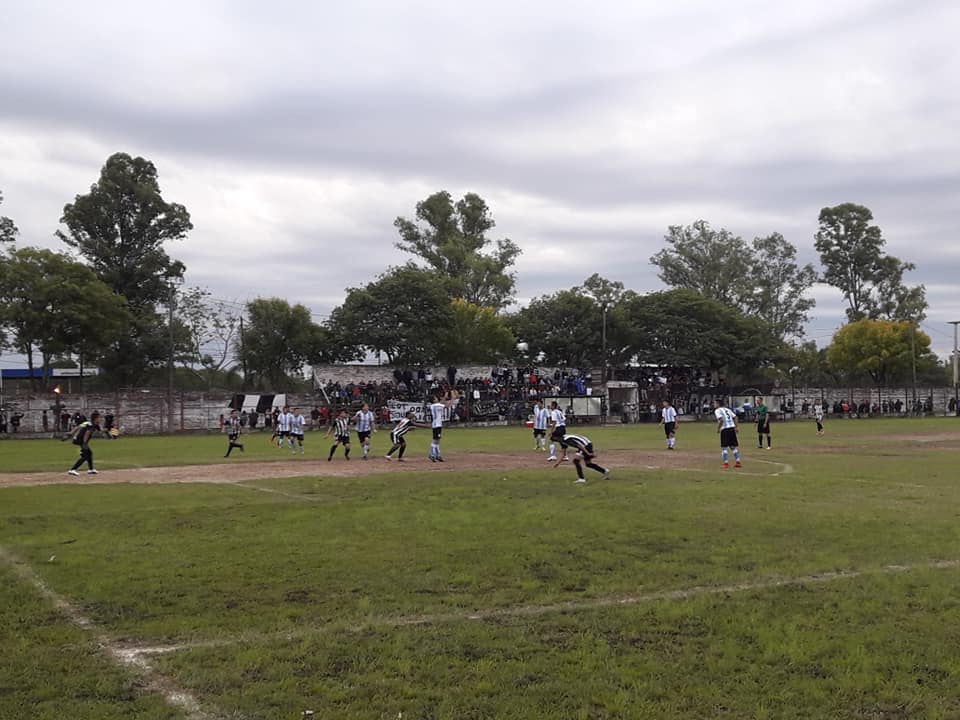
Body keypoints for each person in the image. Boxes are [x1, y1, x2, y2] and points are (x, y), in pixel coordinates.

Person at [66, 411, 102, 475]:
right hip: (81, 440)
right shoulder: (92, 425)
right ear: (95, 418)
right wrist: (84, 443)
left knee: (89, 453)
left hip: (78, 439)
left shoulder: (88, 423)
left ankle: (91, 469)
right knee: (85, 456)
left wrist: (71, 433)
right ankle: (72, 470)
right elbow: (87, 433)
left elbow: (78, 427)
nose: (100, 419)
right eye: (99, 418)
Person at [713, 399, 742, 469]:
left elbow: (721, 420)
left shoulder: (717, 411)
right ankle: (738, 462)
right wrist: (736, 427)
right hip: (732, 428)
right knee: (733, 447)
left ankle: (726, 463)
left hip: (725, 430)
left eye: (714, 403)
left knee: (724, 447)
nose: (713, 405)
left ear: (718, 404)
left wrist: (718, 428)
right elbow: (735, 417)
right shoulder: (727, 409)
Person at [427, 395, 449, 462]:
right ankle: (432, 454)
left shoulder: (434, 405)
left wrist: (445, 397)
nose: (437, 399)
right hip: (437, 424)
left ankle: (437, 455)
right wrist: (452, 399)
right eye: (436, 398)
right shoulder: (436, 405)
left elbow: (441, 403)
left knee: (437, 440)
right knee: (435, 440)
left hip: (436, 424)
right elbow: (447, 406)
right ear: (433, 400)